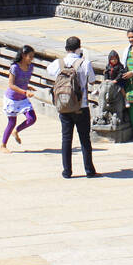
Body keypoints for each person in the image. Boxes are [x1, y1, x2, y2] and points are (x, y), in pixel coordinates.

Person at [47, 36, 99, 178]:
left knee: (66, 139)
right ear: (79, 48)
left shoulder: (59, 63)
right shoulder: (85, 63)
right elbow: (93, 80)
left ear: (66, 49)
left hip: (64, 106)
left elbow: (49, 71)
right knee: (84, 139)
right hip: (81, 106)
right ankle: (89, 170)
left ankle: (67, 171)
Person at [1, 45, 37, 153]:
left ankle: (16, 131)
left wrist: (27, 87)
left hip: (22, 98)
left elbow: (23, 81)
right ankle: (3, 145)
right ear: (23, 56)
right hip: (12, 98)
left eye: (32, 57)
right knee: (12, 122)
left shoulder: (31, 67)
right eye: (29, 57)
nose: (31, 59)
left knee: (32, 118)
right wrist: (25, 92)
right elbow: (11, 85)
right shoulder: (14, 67)